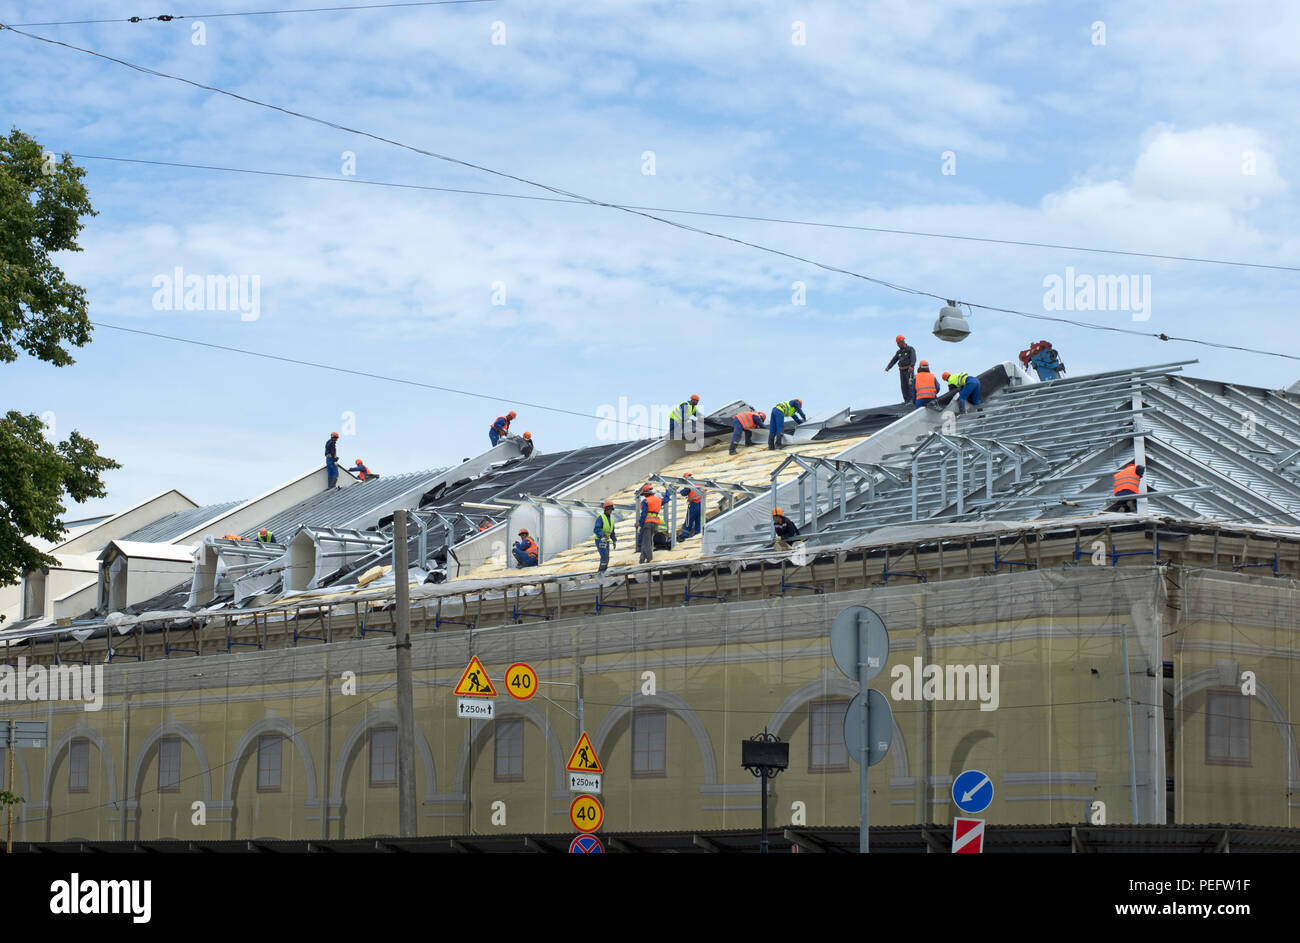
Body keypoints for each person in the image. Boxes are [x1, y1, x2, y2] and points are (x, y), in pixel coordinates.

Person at [885, 334, 918, 403]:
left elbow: (913, 357)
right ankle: (906, 400)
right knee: (903, 386)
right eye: (897, 344)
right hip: (902, 370)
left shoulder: (910, 349)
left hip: (909, 370)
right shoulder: (899, 352)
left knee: (910, 384)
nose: (897, 345)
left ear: (902, 342)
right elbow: (894, 360)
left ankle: (912, 400)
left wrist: (912, 366)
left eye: (898, 343)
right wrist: (889, 367)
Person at [637, 484, 662, 563]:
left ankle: (649, 558)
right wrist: (668, 490)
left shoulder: (645, 501)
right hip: (655, 523)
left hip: (647, 523)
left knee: (647, 542)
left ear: (646, 493)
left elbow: (644, 514)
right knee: (647, 540)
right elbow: (667, 499)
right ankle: (642, 558)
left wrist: (640, 524)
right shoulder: (658, 499)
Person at [593, 500, 618, 574]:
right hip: (600, 540)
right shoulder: (601, 518)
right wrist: (601, 537)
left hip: (606, 541)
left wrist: (614, 540)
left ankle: (603, 571)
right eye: (610, 509)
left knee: (607, 557)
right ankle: (600, 572)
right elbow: (596, 529)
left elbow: (612, 532)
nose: (611, 511)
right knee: (604, 555)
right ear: (606, 509)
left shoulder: (611, 520)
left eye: (611, 510)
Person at [677, 473, 703, 540]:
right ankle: (698, 534)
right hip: (702, 504)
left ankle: (684, 535)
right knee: (699, 520)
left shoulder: (689, 484)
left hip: (694, 504)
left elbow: (683, 493)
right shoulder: (699, 483)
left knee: (689, 520)